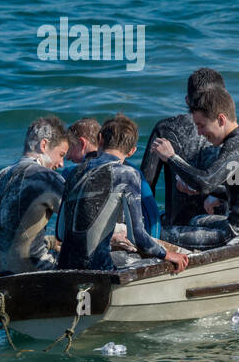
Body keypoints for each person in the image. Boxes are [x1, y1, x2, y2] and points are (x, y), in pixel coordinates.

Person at [152, 85, 239, 248]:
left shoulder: (236, 146)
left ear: (221, 119)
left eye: (202, 125)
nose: (199, 133)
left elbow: (205, 182)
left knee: (159, 234)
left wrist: (171, 158)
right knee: (196, 220)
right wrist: (207, 191)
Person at [58, 115, 189, 273]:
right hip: (97, 270)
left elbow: (60, 232)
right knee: (143, 256)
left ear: (100, 139)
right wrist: (168, 255)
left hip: (64, 267)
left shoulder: (72, 174)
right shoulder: (128, 174)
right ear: (132, 151)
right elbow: (138, 237)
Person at [140, 68, 225, 228]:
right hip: (222, 228)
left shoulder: (166, 129)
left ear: (187, 100)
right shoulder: (234, 134)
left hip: (179, 230)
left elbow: (145, 188)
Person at [0, 116, 69, 275]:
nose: (61, 164)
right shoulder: (46, 178)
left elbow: (12, 237)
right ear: (44, 145)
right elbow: (82, 219)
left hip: (0, 275)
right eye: (61, 154)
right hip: (36, 272)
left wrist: (51, 242)